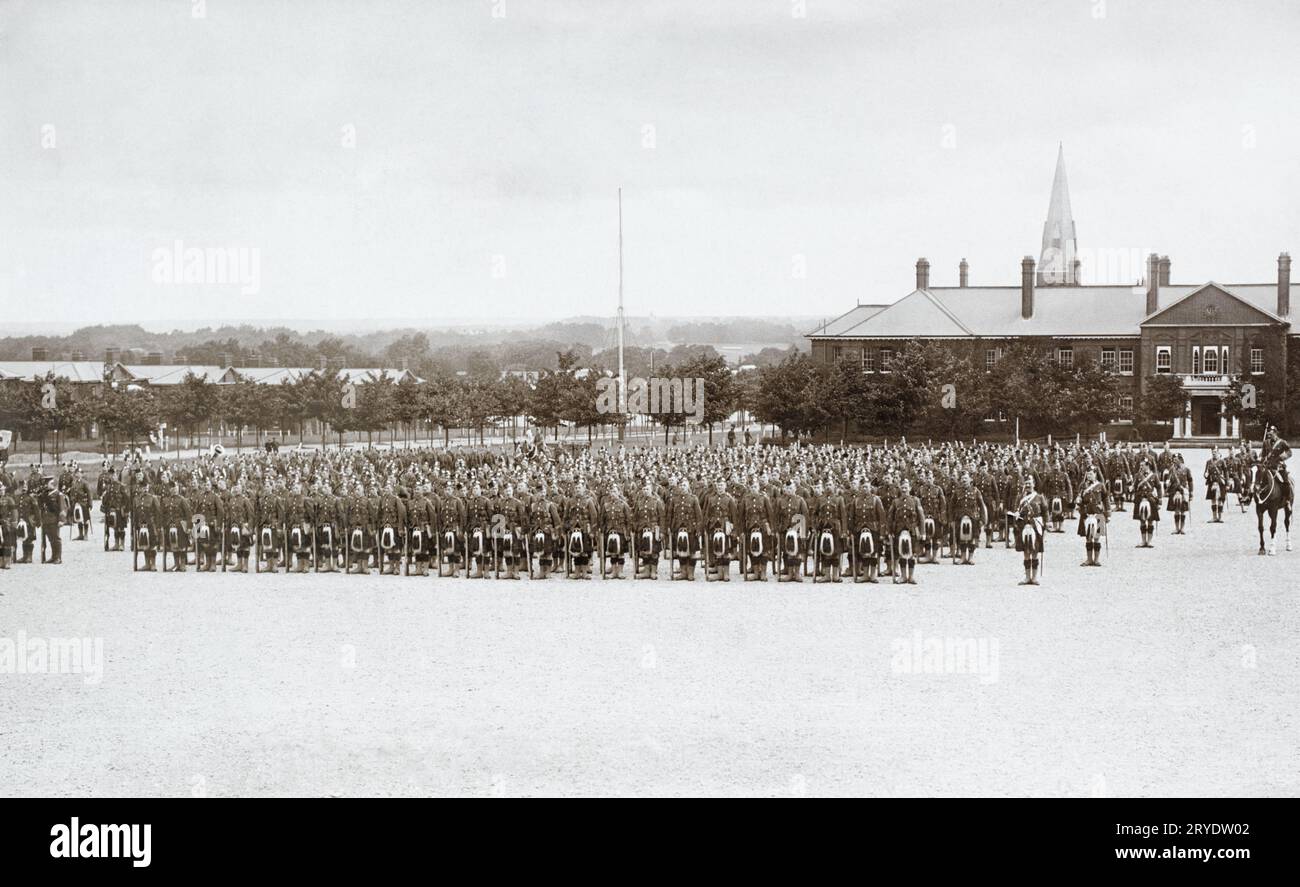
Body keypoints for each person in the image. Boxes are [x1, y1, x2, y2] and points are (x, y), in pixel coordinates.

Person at [1012, 476, 1048, 585]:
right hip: (1024, 526)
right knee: (1026, 553)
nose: (1028, 485)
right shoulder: (1020, 498)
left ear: (1034, 484)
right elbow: (1015, 511)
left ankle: (1035, 577)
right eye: (1026, 483)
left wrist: (1045, 526)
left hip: (1036, 527)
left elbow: (1045, 512)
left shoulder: (1040, 497)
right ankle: (1027, 577)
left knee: (1035, 552)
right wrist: (1016, 517)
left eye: (1030, 483)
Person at [1073, 468, 1110, 566]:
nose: (1089, 476)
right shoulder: (1083, 486)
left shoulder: (1101, 486)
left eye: (1091, 474)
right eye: (1088, 474)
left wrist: (1108, 514)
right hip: (1086, 514)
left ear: (1095, 474)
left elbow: (1106, 500)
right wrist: (1078, 503)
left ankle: (1096, 560)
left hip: (1098, 513)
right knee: (1088, 538)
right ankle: (1089, 559)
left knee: (1097, 537)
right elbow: (1079, 497)